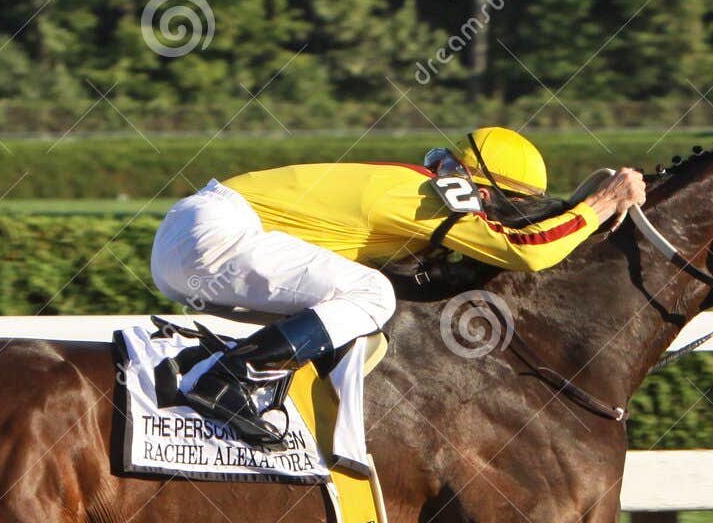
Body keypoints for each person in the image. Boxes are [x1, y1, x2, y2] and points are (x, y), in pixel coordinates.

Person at [149, 126, 646, 445]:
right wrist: (601, 204)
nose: (491, 217)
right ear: (484, 189)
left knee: (349, 305)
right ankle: (230, 378)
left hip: (194, 235)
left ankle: (240, 379)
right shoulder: (428, 195)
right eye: (499, 206)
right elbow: (526, 250)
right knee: (373, 295)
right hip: (212, 233)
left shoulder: (419, 188)